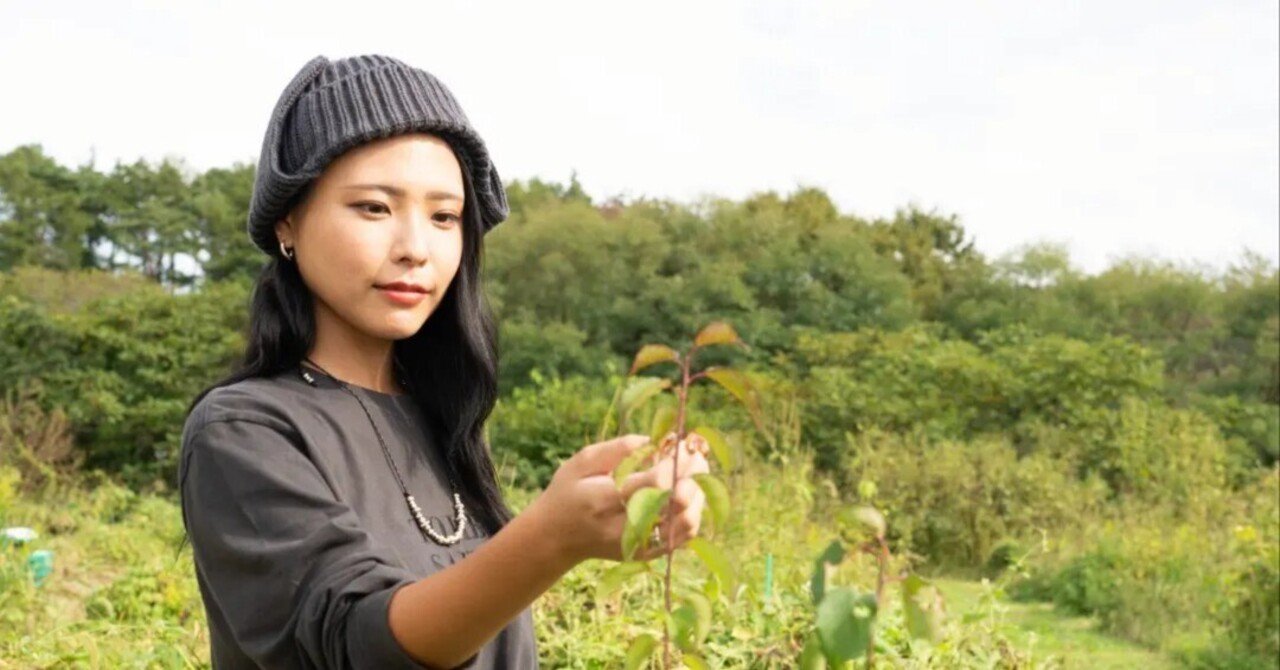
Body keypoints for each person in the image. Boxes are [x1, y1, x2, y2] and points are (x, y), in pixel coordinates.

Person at [177, 54, 709, 670]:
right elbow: (355, 642)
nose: (415, 249)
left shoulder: (441, 418)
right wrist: (549, 539)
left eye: (444, 217)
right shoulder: (242, 430)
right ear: (287, 223)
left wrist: (613, 500)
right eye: (374, 207)